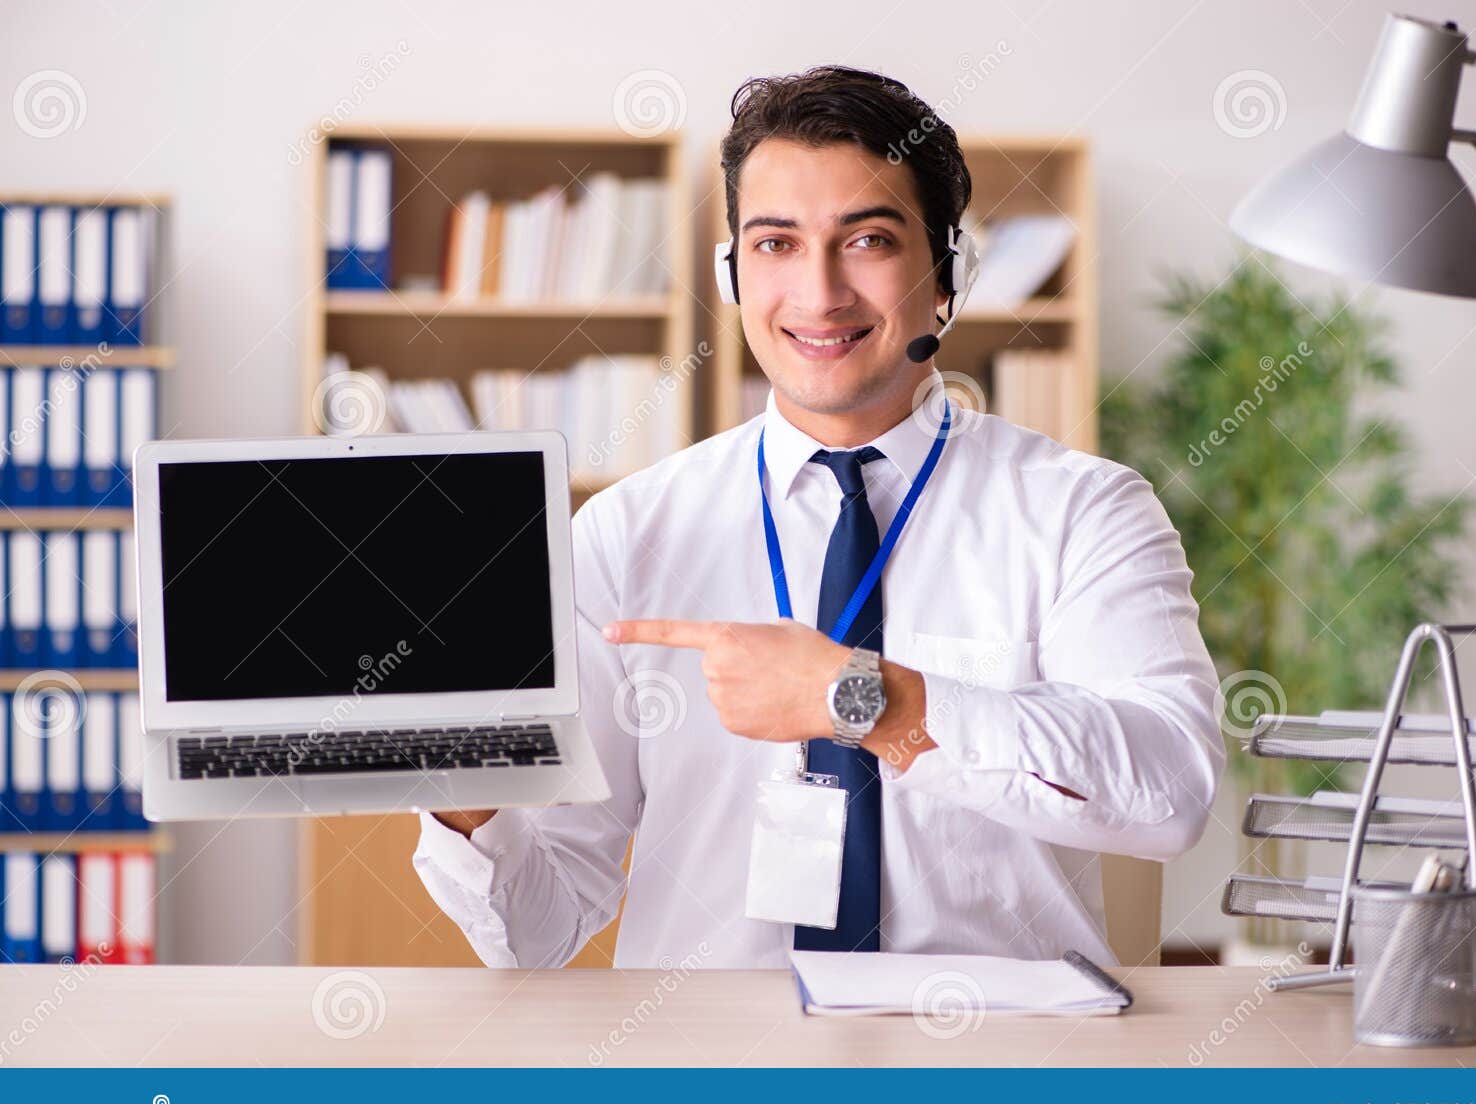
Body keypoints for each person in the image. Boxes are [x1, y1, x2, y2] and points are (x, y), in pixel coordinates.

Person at [413, 64, 1222, 970]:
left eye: (868, 239)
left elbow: (1172, 791)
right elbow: (540, 931)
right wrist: (465, 801)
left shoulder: (1083, 511)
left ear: (948, 273)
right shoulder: (624, 535)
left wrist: (866, 699)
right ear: (731, 274)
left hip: (992, 1043)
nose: (820, 292)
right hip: (704, 1053)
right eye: (775, 244)